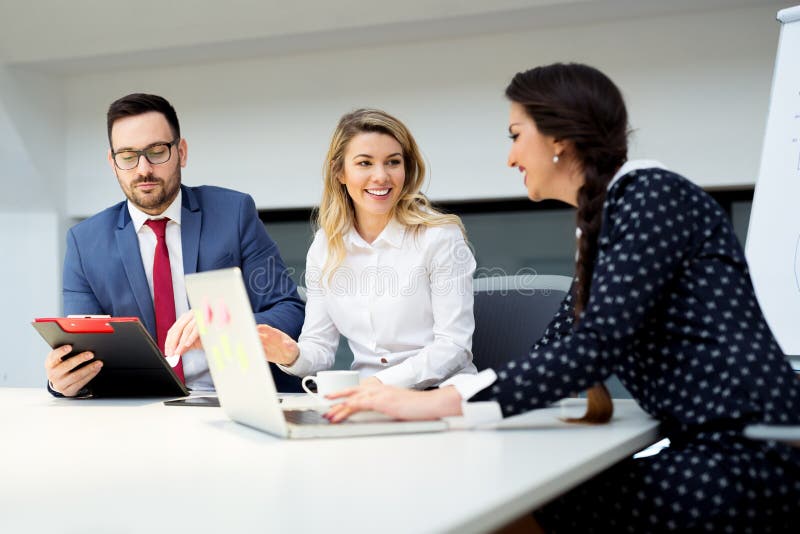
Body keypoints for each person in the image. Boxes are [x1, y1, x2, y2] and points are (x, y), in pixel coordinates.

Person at [325, 64, 800, 531]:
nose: (511, 157)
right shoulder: (608, 219)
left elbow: (595, 346)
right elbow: (557, 350)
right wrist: (448, 404)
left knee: (519, 508)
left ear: (557, 139)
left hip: (754, 456)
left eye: (515, 135)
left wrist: (438, 402)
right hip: (711, 447)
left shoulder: (650, 196)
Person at [44, 93, 305, 397]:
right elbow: (79, 348)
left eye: (157, 151)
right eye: (128, 156)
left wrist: (218, 323)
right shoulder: (84, 242)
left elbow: (290, 312)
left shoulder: (233, 213)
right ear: (113, 163)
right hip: (138, 408)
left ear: (181, 152)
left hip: (233, 399)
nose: (143, 169)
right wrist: (61, 381)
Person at [258, 108, 477, 389]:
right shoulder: (326, 246)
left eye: (393, 162)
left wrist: (378, 384)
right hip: (366, 400)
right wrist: (291, 354)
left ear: (406, 169)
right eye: (365, 163)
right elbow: (319, 348)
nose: (381, 176)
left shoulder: (439, 238)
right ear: (340, 172)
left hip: (437, 395)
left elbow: (454, 347)